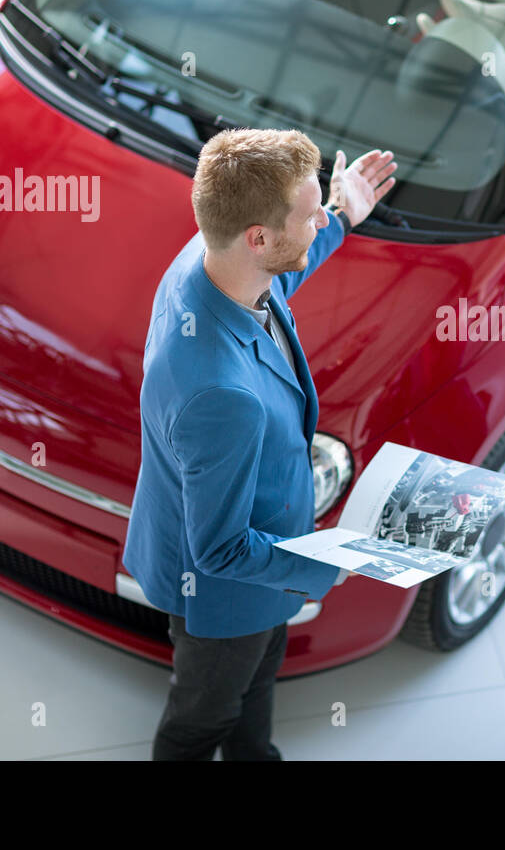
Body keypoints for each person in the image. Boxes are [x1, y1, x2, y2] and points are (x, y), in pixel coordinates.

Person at [123, 128, 395, 760]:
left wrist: (345, 214)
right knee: (202, 720)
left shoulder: (209, 263)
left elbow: (278, 279)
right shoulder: (223, 394)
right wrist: (330, 564)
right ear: (259, 237)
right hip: (225, 596)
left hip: (261, 569)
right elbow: (218, 548)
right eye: (312, 213)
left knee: (255, 694)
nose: (320, 216)